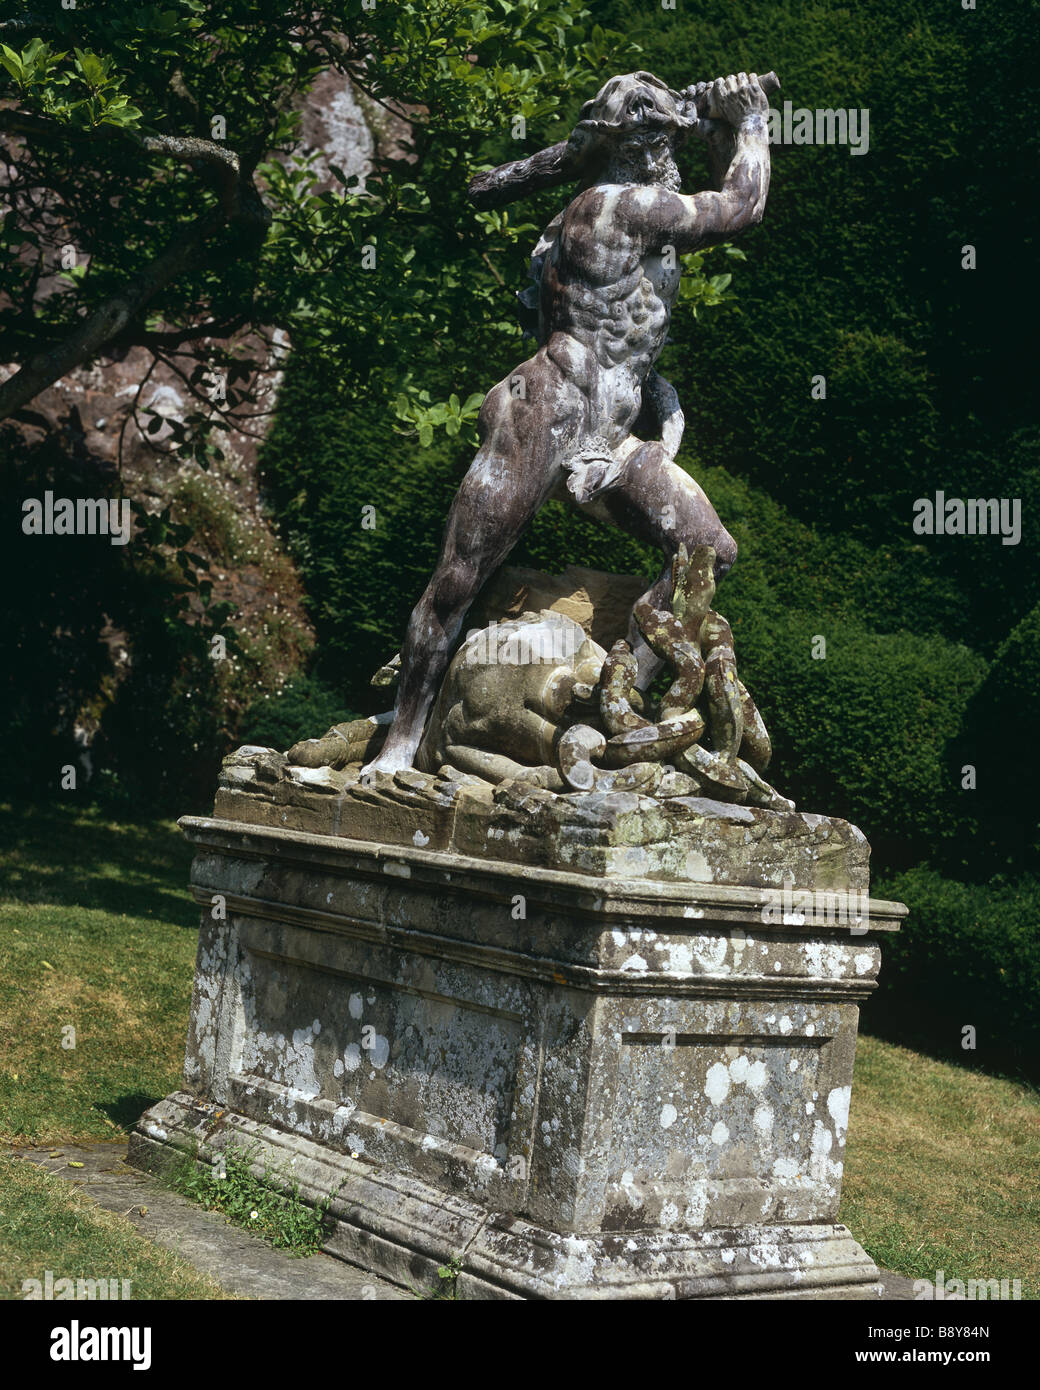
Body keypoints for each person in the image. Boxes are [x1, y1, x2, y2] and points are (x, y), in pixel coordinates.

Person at [366, 70, 771, 775]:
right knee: (457, 581)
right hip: (545, 408)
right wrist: (754, 120)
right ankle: (399, 742)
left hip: (610, 431)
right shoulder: (618, 206)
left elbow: (694, 212)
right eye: (668, 130)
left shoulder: (639, 203)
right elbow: (740, 205)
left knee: (705, 552)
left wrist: (716, 124)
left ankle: (617, 701)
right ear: (643, 143)